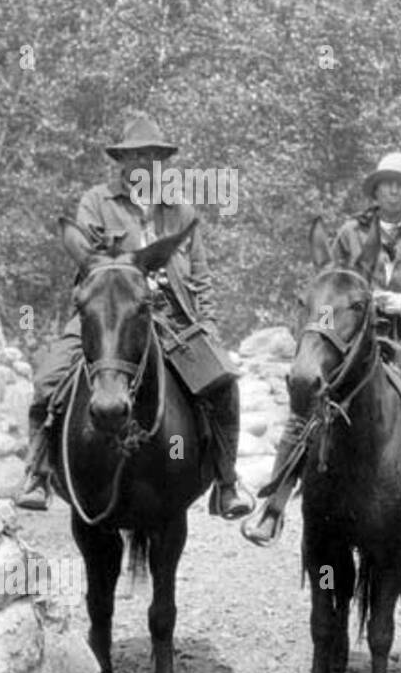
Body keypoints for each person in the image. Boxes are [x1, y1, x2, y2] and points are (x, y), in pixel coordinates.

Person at [15, 116, 252, 519]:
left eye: (153, 156)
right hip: (109, 314)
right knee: (47, 379)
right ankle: (37, 471)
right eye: (135, 156)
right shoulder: (97, 202)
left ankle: (227, 481)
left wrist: (207, 326)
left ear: (163, 163)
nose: (144, 163)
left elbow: (201, 277)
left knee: (223, 384)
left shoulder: (181, 212)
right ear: (122, 162)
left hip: (172, 318)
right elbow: (88, 262)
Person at [241, 152, 401, 555]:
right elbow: (332, 282)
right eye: (388, 183)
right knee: (309, 399)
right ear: (376, 188)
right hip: (351, 338)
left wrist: (400, 303)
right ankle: (275, 502)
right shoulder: (351, 232)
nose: (394, 191)